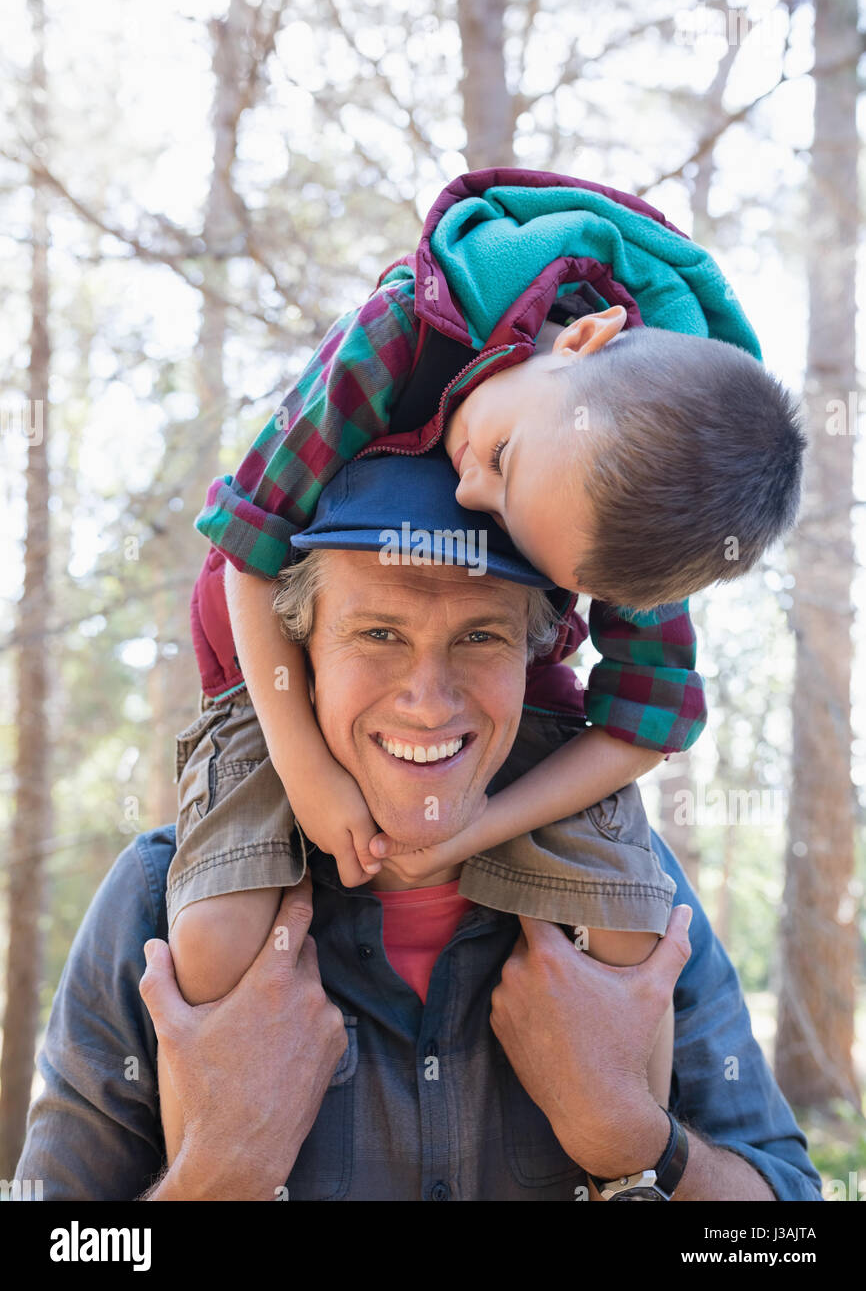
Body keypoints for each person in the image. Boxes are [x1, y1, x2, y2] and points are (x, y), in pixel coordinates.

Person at [166, 168, 805, 1159]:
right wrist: (309, 770)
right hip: (278, 663)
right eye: (500, 460)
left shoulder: (641, 506)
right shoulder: (401, 330)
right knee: (211, 932)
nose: (465, 484)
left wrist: (479, 822)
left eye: (502, 516)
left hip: (510, 703)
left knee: (628, 932)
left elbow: (643, 719)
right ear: (581, 339)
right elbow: (246, 547)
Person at [14, 454, 821, 1201]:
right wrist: (216, 1170)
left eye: (480, 636)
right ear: (302, 656)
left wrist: (636, 1138)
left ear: (531, 656)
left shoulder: (637, 895)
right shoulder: (159, 901)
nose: (428, 700)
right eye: (378, 635)